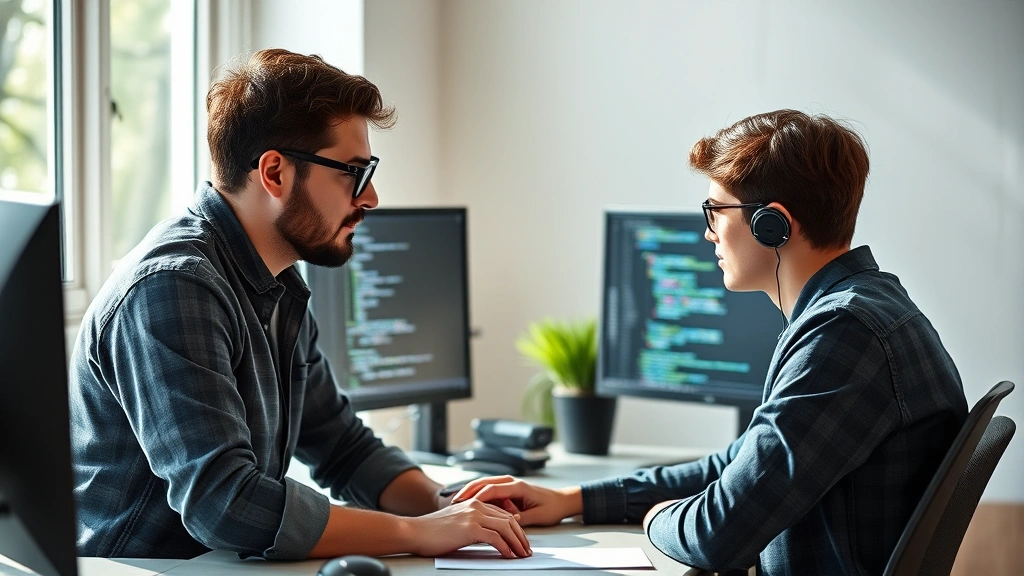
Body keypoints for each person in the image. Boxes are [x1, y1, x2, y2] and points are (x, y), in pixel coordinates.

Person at [452, 110, 968, 575]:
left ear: (773, 225)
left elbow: (718, 534)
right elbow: (740, 464)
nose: (708, 234)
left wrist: (659, 520)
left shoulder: (845, 334)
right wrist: (575, 500)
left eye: (715, 211)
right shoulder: (864, 308)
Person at [69, 48, 530, 562]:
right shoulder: (173, 288)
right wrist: (417, 534)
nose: (371, 196)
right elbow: (226, 505)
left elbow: (342, 447)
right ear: (275, 173)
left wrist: (447, 504)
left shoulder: (278, 280)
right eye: (353, 172)